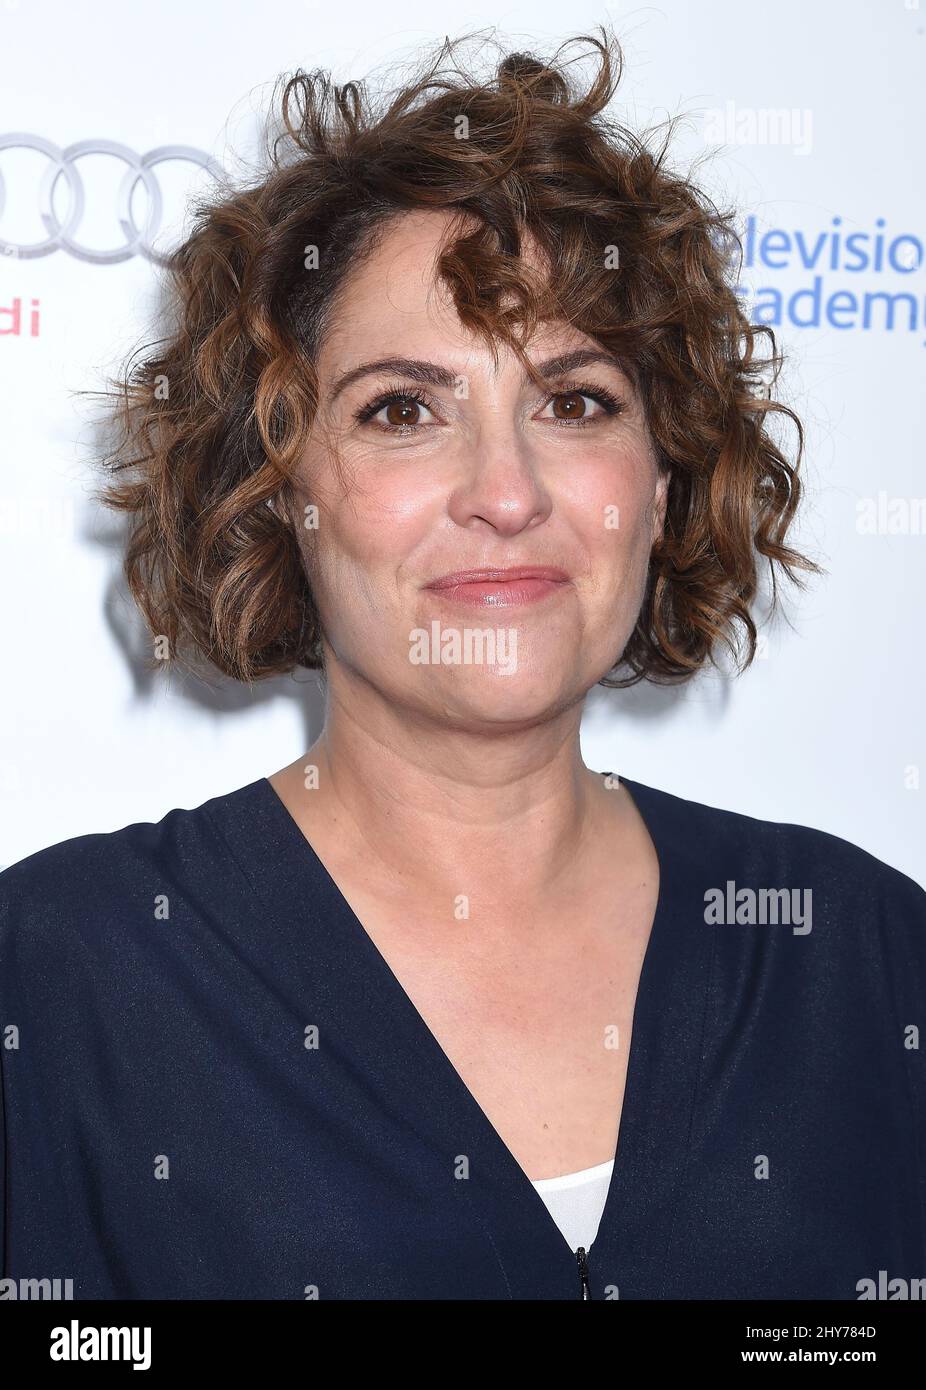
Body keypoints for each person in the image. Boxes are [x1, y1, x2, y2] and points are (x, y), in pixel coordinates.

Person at [1, 29, 923, 1302]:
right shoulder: (61, 972)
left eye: (575, 400)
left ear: (660, 486)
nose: (505, 491)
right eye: (401, 409)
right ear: (277, 495)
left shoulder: (860, 949)